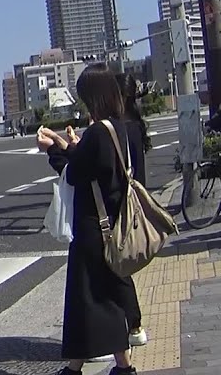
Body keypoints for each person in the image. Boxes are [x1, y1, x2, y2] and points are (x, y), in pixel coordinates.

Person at [38, 64, 138, 375]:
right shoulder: (118, 128)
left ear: (93, 97)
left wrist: (52, 150)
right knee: (98, 296)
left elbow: (74, 174)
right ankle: (90, 367)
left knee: (90, 299)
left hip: (93, 227)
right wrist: (66, 146)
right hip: (111, 221)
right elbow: (92, 165)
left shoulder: (97, 133)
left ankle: (110, 368)